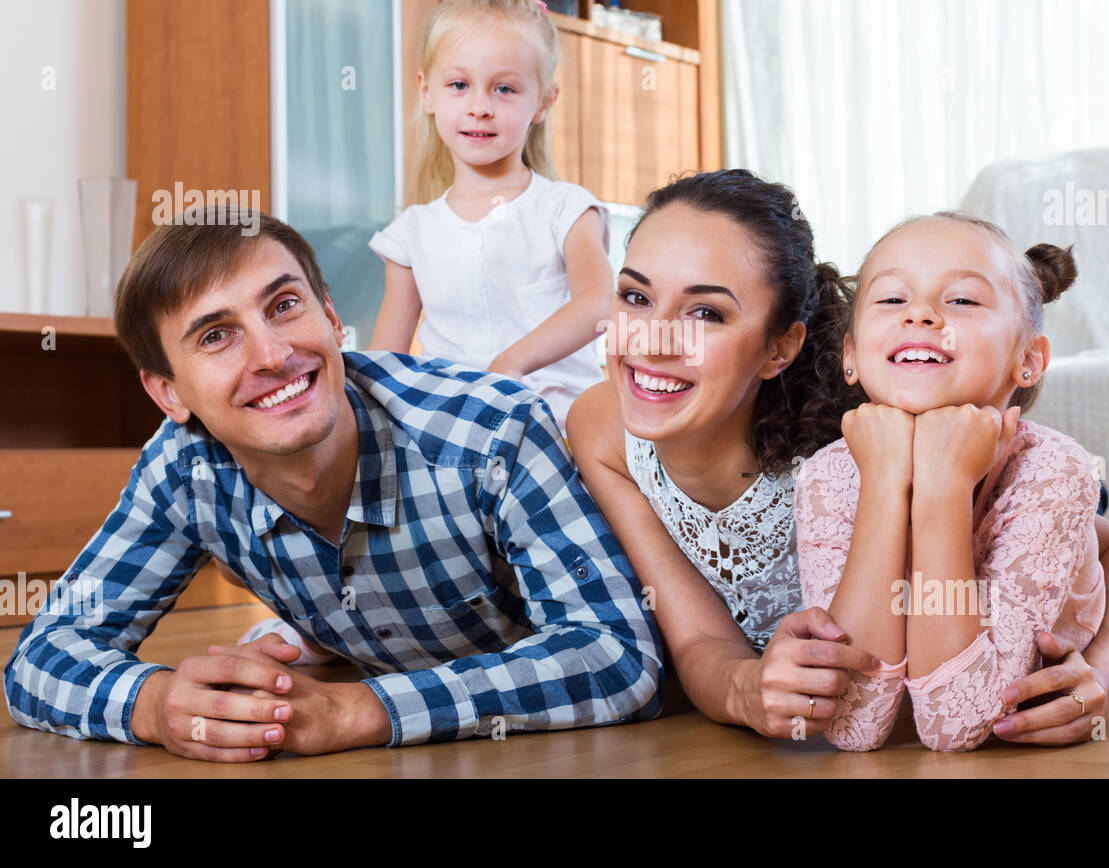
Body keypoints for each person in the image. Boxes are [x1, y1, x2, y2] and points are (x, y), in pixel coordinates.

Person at [2, 210, 662, 762]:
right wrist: (154, 703)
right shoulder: (184, 469)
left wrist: (358, 711)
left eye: (284, 306)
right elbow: (40, 657)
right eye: (217, 335)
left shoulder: (491, 432)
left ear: (330, 317)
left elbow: (617, 653)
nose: (271, 355)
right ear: (168, 392)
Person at [567, 169, 1109, 743]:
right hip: (925, 670)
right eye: (635, 297)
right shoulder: (602, 429)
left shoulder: (867, 428)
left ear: (780, 348)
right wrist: (747, 690)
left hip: (1050, 574)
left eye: (706, 312)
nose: (653, 338)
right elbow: (699, 635)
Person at [794, 212, 1109, 751]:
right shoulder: (824, 476)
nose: (920, 314)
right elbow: (855, 725)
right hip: (1083, 569)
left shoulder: (1054, 468)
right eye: (891, 299)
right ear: (850, 355)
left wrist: (943, 489)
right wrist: (885, 486)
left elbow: (955, 727)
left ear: (1029, 360)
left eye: (961, 300)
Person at [367, 0, 610, 434]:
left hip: (564, 428)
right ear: (427, 94)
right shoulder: (409, 235)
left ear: (544, 102)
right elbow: (384, 362)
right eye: (458, 85)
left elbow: (599, 303)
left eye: (504, 89)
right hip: (459, 433)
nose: (479, 107)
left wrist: (511, 363)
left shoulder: (567, 209)